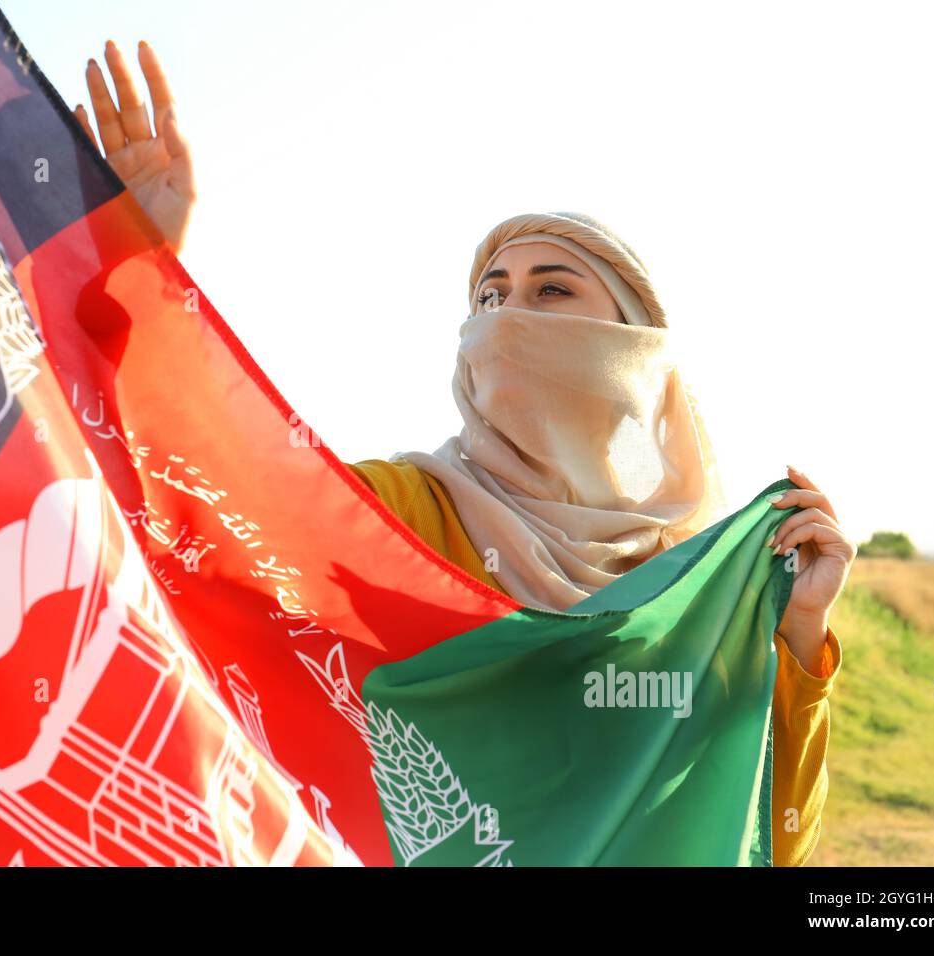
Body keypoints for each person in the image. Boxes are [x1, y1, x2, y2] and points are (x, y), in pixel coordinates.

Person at [75, 41, 854, 867]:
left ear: (631, 348)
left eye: (552, 290)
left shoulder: (697, 585)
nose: (504, 316)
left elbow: (767, 831)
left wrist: (804, 632)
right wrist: (137, 277)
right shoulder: (403, 510)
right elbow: (196, 494)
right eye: (490, 296)